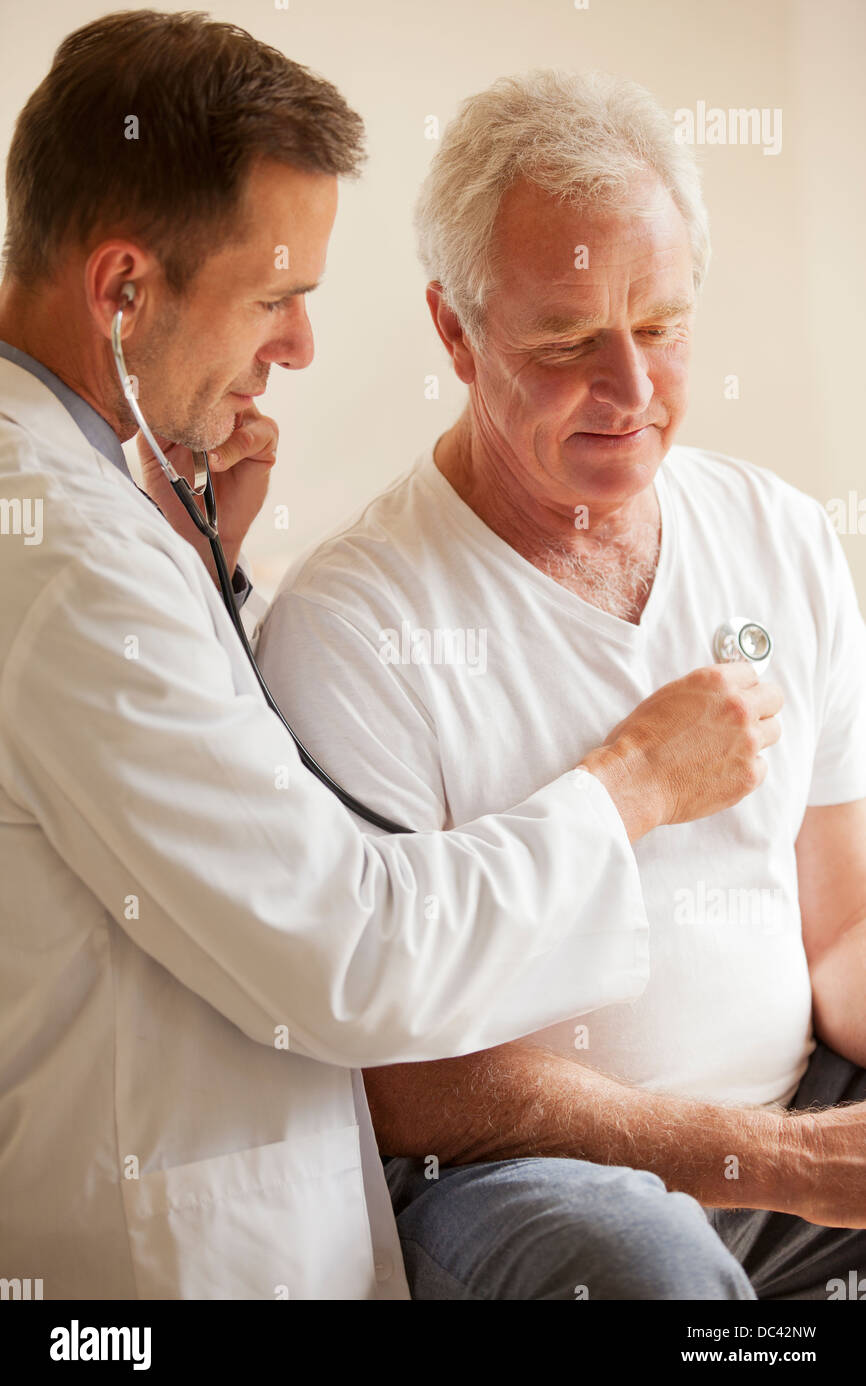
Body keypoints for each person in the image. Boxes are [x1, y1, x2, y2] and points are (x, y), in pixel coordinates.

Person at [0, 16, 774, 1301]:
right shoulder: (66, 557)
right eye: (275, 294)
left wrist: (203, 579)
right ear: (124, 288)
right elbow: (349, 951)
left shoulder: (96, 522)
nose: (299, 344)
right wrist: (630, 781)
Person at [257, 69, 866, 1300]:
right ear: (453, 332)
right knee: (641, 1267)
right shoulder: (353, 622)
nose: (632, 393)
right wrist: (779, 1162)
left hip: (794, 1122)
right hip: (520, 1177)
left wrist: (805, 1147)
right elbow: (408, 1080)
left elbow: (838, 923)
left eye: (658, 325)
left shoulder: (782, 534)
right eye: (565, 341)